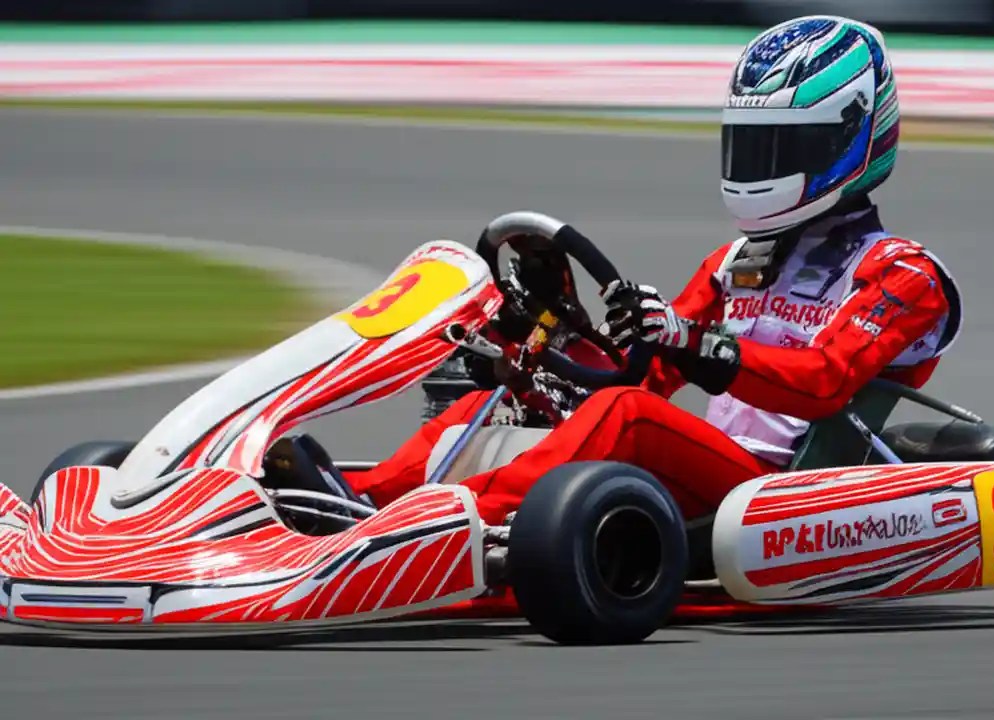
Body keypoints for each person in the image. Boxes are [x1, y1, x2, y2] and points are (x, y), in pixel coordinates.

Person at [348, 16, 961, 525]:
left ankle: (448, 523)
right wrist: (543, 347)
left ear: (848, 140)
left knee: (628, 420)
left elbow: (824, 382)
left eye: (782, 148)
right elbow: (644, 380)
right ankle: (357, 502)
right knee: (500, 400)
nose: (760, 165)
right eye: (752, 146)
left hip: (788, 495)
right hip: (718, 478)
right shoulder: (733, 264)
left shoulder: (903, 275)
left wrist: (694, 342)